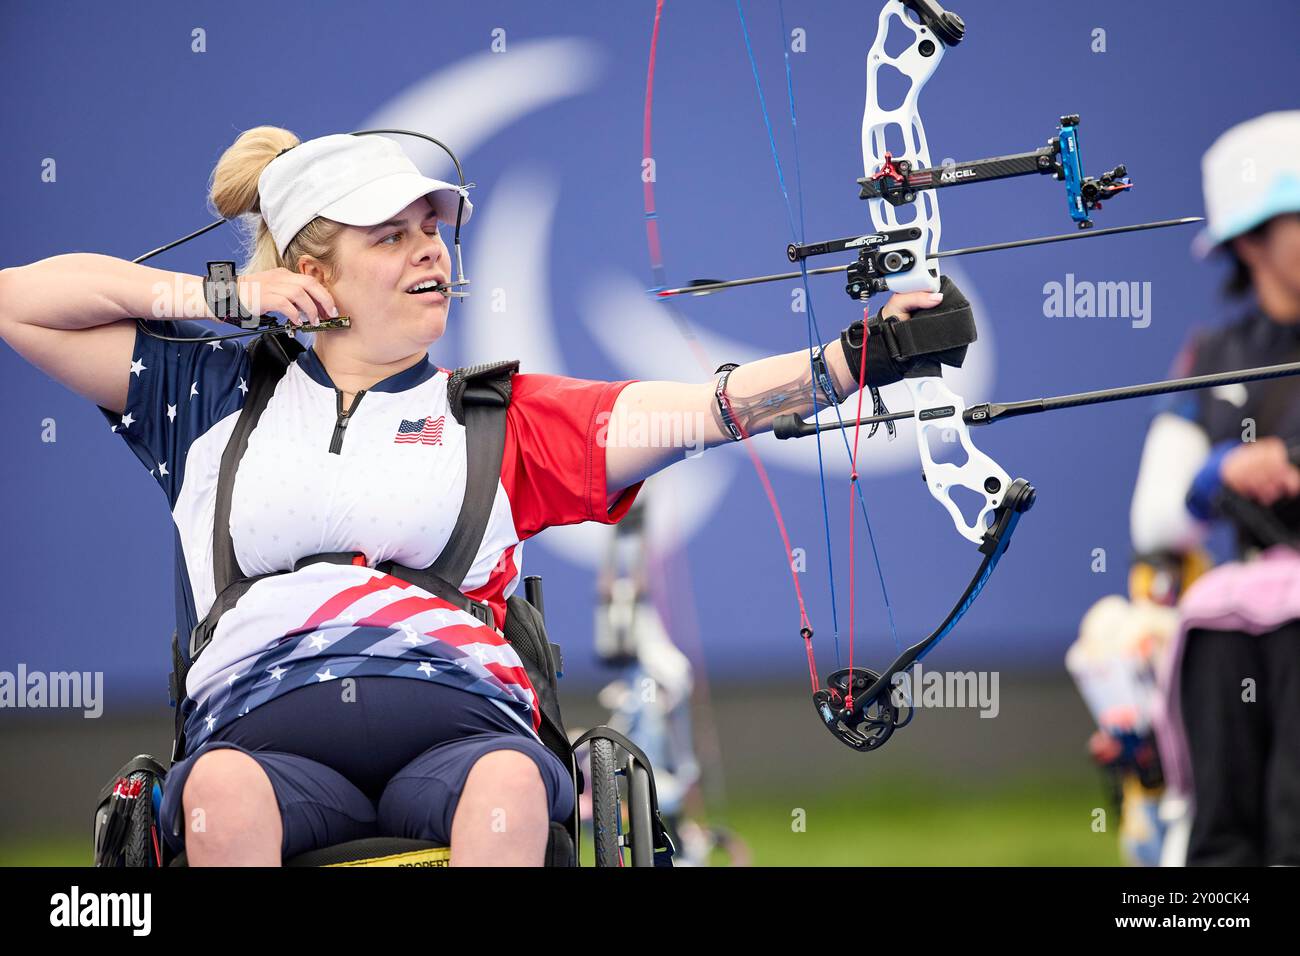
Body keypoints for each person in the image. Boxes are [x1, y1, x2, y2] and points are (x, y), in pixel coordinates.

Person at [0, 126, 952, 866]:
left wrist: (856, 359)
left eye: (434, 231)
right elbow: (18, 301)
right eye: (393, 236)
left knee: (505, 791)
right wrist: (215, 300)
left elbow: (707, 407)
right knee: (216, 803)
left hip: (462, 734)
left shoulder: (496, 417)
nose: (432, 253)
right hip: (256, 736)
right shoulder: (205, 397)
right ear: (310, 271)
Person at [1129, 111, 1300, 866]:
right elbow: (1155, 522)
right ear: (1250, 239)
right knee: (1217, 627)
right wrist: (1217, 473)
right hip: (1256, 615)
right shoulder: (1215, 354)